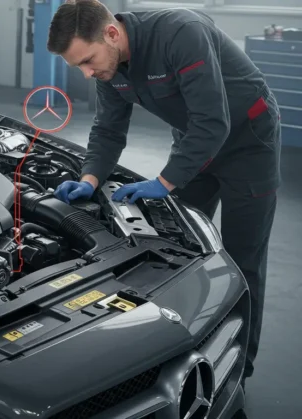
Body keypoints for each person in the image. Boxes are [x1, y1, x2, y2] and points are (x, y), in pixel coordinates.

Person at [46, 0, 280, 385]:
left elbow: (213, 121)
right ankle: (179, 350)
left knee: (243, 258)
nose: (88, 73)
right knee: (179, 249)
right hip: (194, 143)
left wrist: (165, 182)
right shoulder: (110, 68)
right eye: (79, 68)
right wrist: (89, 178)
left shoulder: (179, 32)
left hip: (248, 142)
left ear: (111, 33)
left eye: (87, 61)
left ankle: (239, 368)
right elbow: (107, 130)